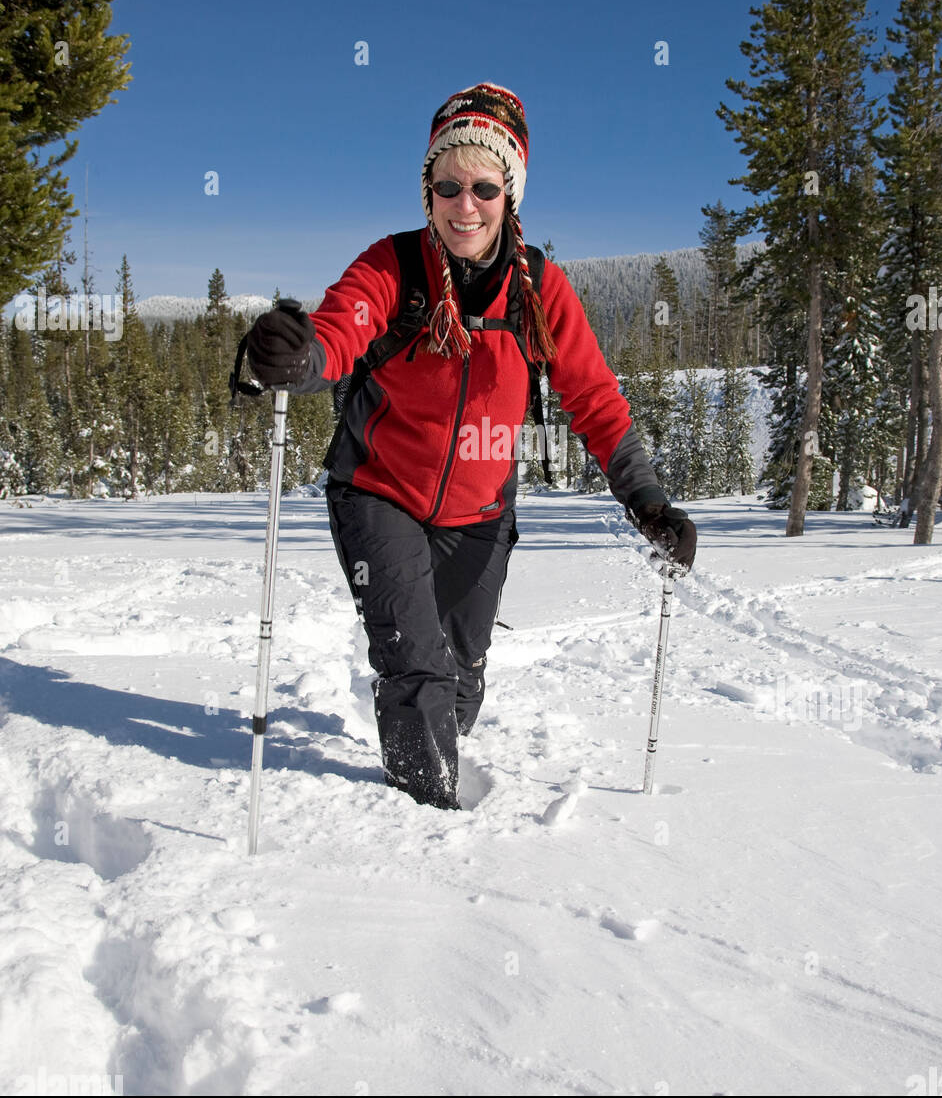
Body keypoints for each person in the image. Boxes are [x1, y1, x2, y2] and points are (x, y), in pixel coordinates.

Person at [244, 83, 696, 810]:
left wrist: (645, 497)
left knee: (460, 671)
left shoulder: (538, 290)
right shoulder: (393, 267)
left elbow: (593, 398)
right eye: (447, 185)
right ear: (427, 191)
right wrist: (301, 359)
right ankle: (430, 832)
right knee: (417, 668)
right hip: (378, 492)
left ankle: (429, 745)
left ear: (509, 195)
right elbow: (340, 329)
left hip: (480, 510)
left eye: (484, 186)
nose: (465, 204)